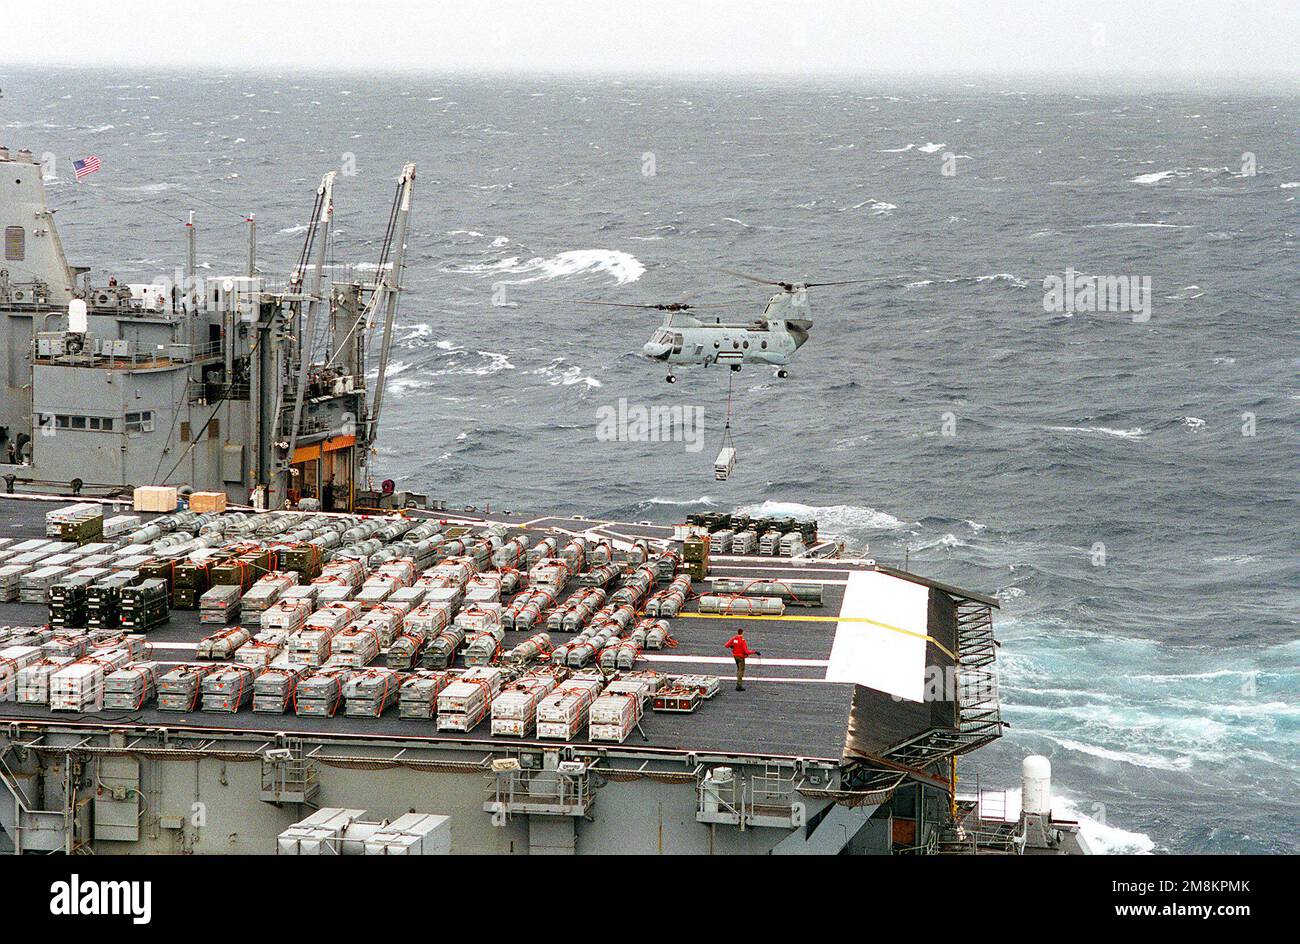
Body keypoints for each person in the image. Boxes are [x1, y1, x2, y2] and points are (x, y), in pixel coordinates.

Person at [723, 627, 760, 691]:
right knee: (741, 671)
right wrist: (755, 652)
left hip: (735, 657)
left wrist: (733, 646)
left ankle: (738, 682)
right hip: (741, 657)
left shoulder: (734, 638)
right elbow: (746, 651)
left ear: (737, 632)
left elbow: (726, 645)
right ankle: (739, 685)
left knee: (738, 669)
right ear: (742, 633)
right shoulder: (742, 641)